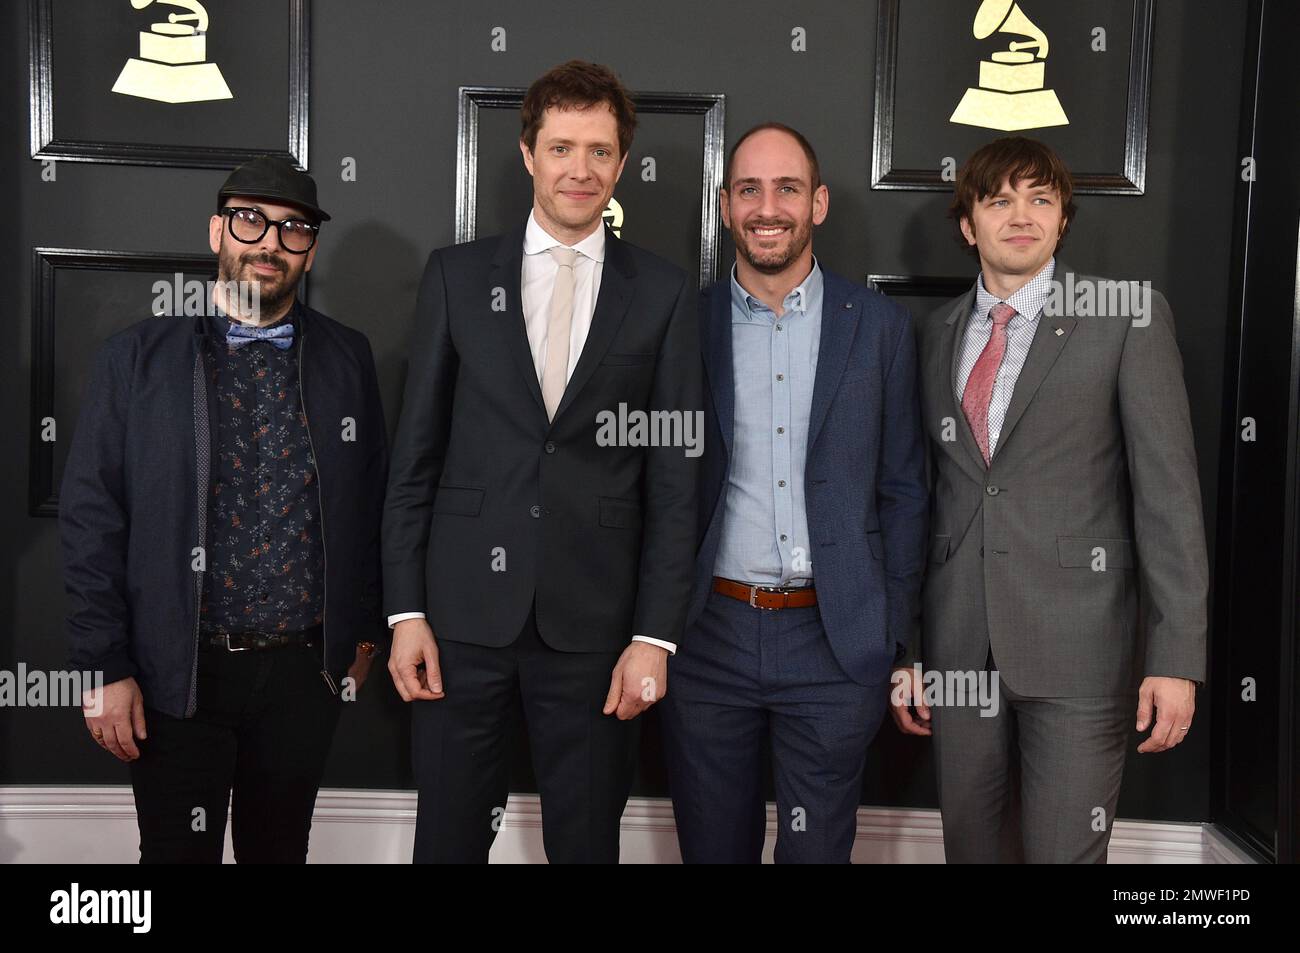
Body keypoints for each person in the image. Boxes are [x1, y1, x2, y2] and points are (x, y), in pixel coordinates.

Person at [382, 60, 702, 863]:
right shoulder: (455, 277)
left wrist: (654, 637)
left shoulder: (663, 294)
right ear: (528, 153)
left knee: (587, 845)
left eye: (599, 151)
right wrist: (404, 611)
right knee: (446, 843)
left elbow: (674, 481)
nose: (579, 169)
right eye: (562, 147)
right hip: (459, 621)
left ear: (622, 164)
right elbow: (414, 457)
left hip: (596, 629)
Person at [890, 136, 1209, 863]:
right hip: (958, 648)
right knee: (973, 852)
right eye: (999, 200)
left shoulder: (1126, 316)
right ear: (969, 225)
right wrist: (908, 649)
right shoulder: (932, 333)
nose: (1021, 215)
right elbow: (920, 500)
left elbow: (1170, 499)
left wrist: (1176, 656)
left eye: (1040, 198)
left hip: (1080, 651)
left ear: (1063, 219)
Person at [61, 155, 388, 862]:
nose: (269, 241)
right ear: (217, 232)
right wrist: (103, 665)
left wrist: (361, 632)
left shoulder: (347, 358)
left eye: (292, 228)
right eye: (250, 220)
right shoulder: (135, 359)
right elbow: (91, 520)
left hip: (304, 674)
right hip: (175, 671)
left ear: (310, 248)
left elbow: (371, 499)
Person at [660, 122, 928, 863]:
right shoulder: (685, 325)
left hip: (835, 640)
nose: (767, 207)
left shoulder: (878, 329)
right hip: (708, 634)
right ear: (724, 205)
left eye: (786, 188)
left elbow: (905, 492)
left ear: (820, 203)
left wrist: (900, 641)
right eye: (749, 189)